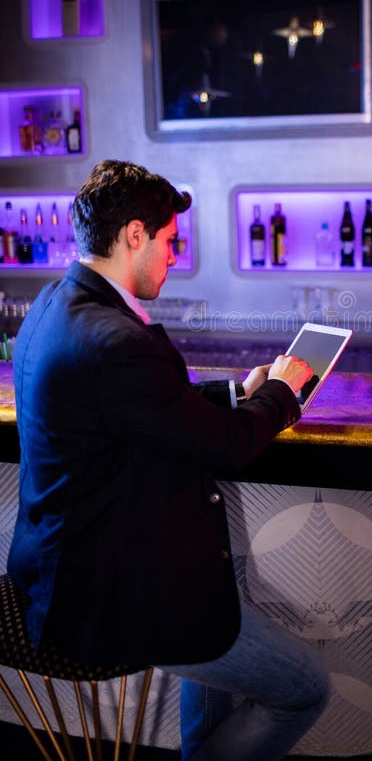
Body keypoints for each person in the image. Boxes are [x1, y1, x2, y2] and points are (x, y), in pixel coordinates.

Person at [7, 160, 330, 760]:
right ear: (135, 235)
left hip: (59, 570)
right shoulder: (118, 340)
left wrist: (243, 393)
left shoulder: (57, 304)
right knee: (307, 689)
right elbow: (225, 446)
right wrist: (282, 393)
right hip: (106, 593)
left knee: (214, 594)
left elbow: (141, 411)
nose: (173, 256)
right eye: (169, 241)